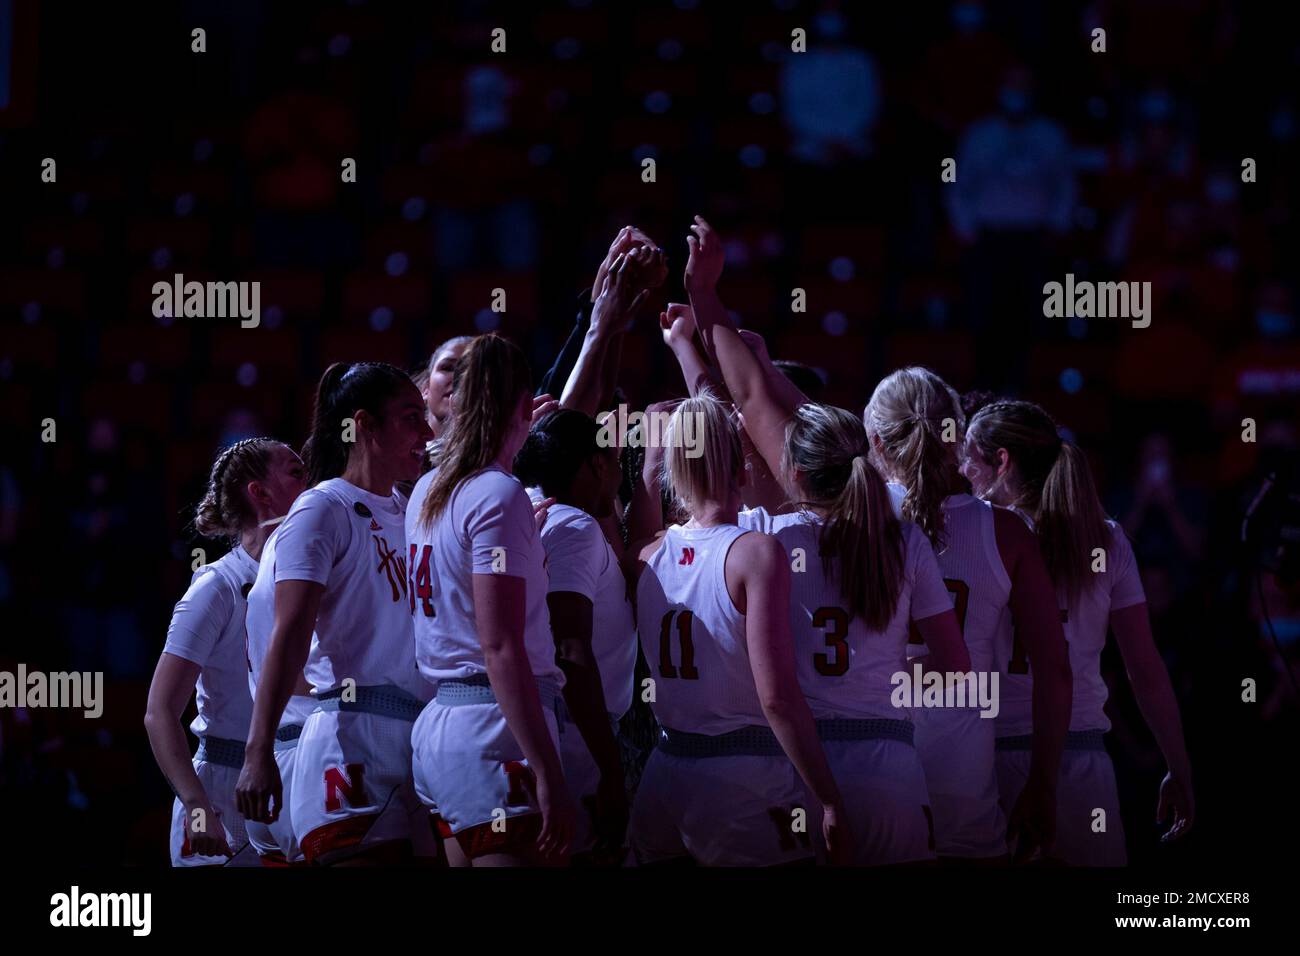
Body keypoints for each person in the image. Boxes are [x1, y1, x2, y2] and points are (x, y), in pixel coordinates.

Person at [672, 217, 971, 863]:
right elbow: (956, 670)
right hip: (892, 767)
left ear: (797, 471)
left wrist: (703, 300)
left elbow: (746, 400)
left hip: (796, 768)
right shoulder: (904, 529)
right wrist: (885, 672)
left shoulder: (764, 539)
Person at [962, 399, 1195, 863]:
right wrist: (1179, 767)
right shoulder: (1107, 538)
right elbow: (1145, 669)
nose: (962, 469)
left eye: (969, 456)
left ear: (1001, 461)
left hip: (990, 760)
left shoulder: (975, 532)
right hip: (1082, 760)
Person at [627, 393, 852, 866]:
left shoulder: (647, 555)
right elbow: (777, 698)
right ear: (743, 470)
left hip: (664, 772)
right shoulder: (756, 552)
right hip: (742, 779)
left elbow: (644, 518)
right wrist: (828, 797)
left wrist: (651, 454)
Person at [864, 367, 1071, 863]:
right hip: (964, 772)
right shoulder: (1005, 532)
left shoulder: (854, 518)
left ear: (875, 440)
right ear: (957, 434)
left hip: (871, 767)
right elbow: (1056, 671)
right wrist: (1043, 784)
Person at [236, 362, 438, 866]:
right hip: (350, 737)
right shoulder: (321, 508)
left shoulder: (411, 508)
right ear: (365, 425)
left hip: (420, 736)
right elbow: (289, 635)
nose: (428, 431)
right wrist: (258, 749)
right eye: (411, 417)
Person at [408, 333, 577, 866]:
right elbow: (500, 645)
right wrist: (548, 770)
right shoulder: (498, 493)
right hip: (493, 729)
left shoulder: (427, 488)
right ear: (526, 408)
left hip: (441, 724)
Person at [145, 438, 306, 866]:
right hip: (221, 789)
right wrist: (197, 805)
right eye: (295, 472)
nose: (310, 483)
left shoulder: (307, 579)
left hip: (289, 773)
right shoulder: (215, 587)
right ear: (260, 492)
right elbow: (159, 711)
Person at [515, 409, 635, 864]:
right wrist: (609, 768)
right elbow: (570, 646)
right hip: (572, 729)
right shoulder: (573, 525)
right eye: (616, 463)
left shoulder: (516, 509)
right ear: (596, 464)